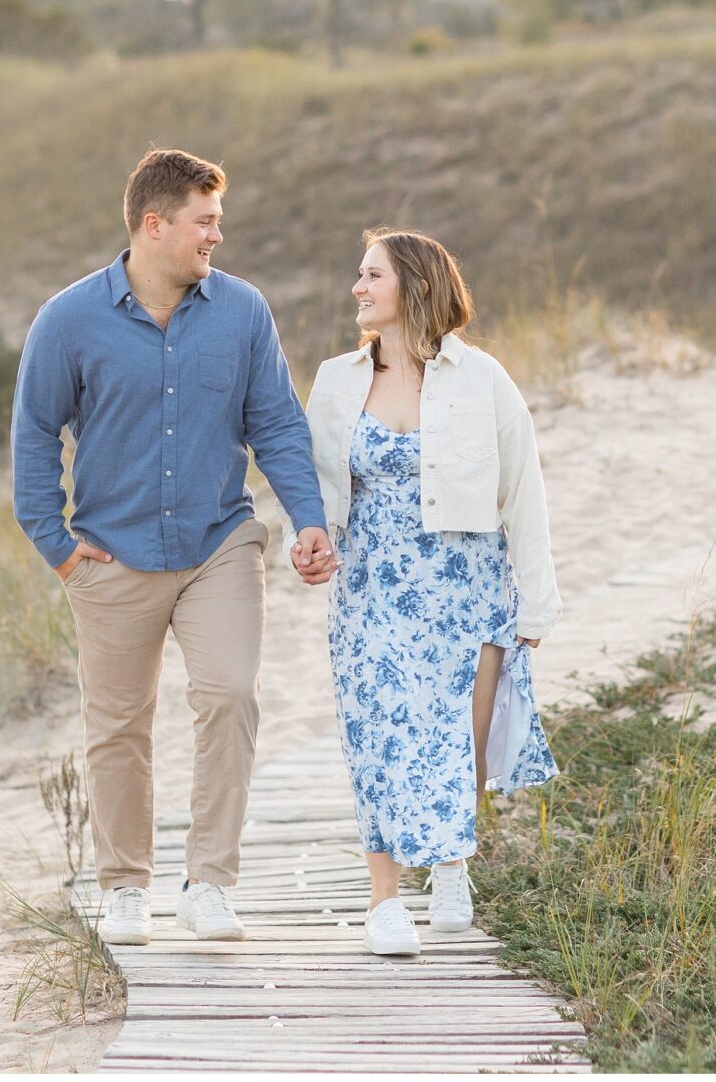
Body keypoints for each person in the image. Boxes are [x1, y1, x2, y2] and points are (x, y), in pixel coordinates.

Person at [11, 148, 335, 947]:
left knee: (229, 694)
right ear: (154, 226)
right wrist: (55, 544)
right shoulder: (67, 320)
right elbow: (32, 435)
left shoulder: (243, 311)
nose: (217, 236)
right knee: (118, 726)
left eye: (217, 221)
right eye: (205, 221)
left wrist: (309, 517)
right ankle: (124, 885)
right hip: (111, 556)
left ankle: (210, 882)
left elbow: (278, 424)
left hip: (219, 542)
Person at [300, 228, 561, 957]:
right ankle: (384, 899)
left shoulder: (483, 380)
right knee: (378, 732)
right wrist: (307, 536)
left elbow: (524, 491)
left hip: (467, 581)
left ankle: (450, 866)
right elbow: (309, 482)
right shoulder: (336, 380)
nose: (358, 287)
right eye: (358, 274)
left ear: (414, 285)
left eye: (372, 274)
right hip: (372, 584)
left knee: (459, 734)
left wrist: (536, 602)